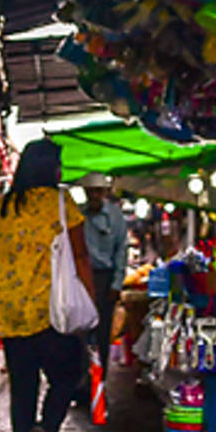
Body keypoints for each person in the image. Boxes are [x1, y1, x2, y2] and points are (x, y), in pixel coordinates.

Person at [0, 139, 97, 432]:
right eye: (58, 164)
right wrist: (92, 300)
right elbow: (81, 255)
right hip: (52, 312)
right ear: (49, 168)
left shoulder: (4, 207)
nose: (61, 170)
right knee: (66, 378)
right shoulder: (61, 202)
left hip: (11, 313)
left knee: (23, 389)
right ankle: (46, 429)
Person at [76, 172, 127, 404]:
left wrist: (116, 284)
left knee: (102, 336)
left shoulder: (115, 217)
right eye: (91, 191)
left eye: (98, 191)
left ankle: (98, 384)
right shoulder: (78, 215)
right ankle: (81, 384)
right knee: (80, 335)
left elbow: (121, 252)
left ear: (105, 193)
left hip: (104, 280)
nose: (94, 195)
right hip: (81, 281)